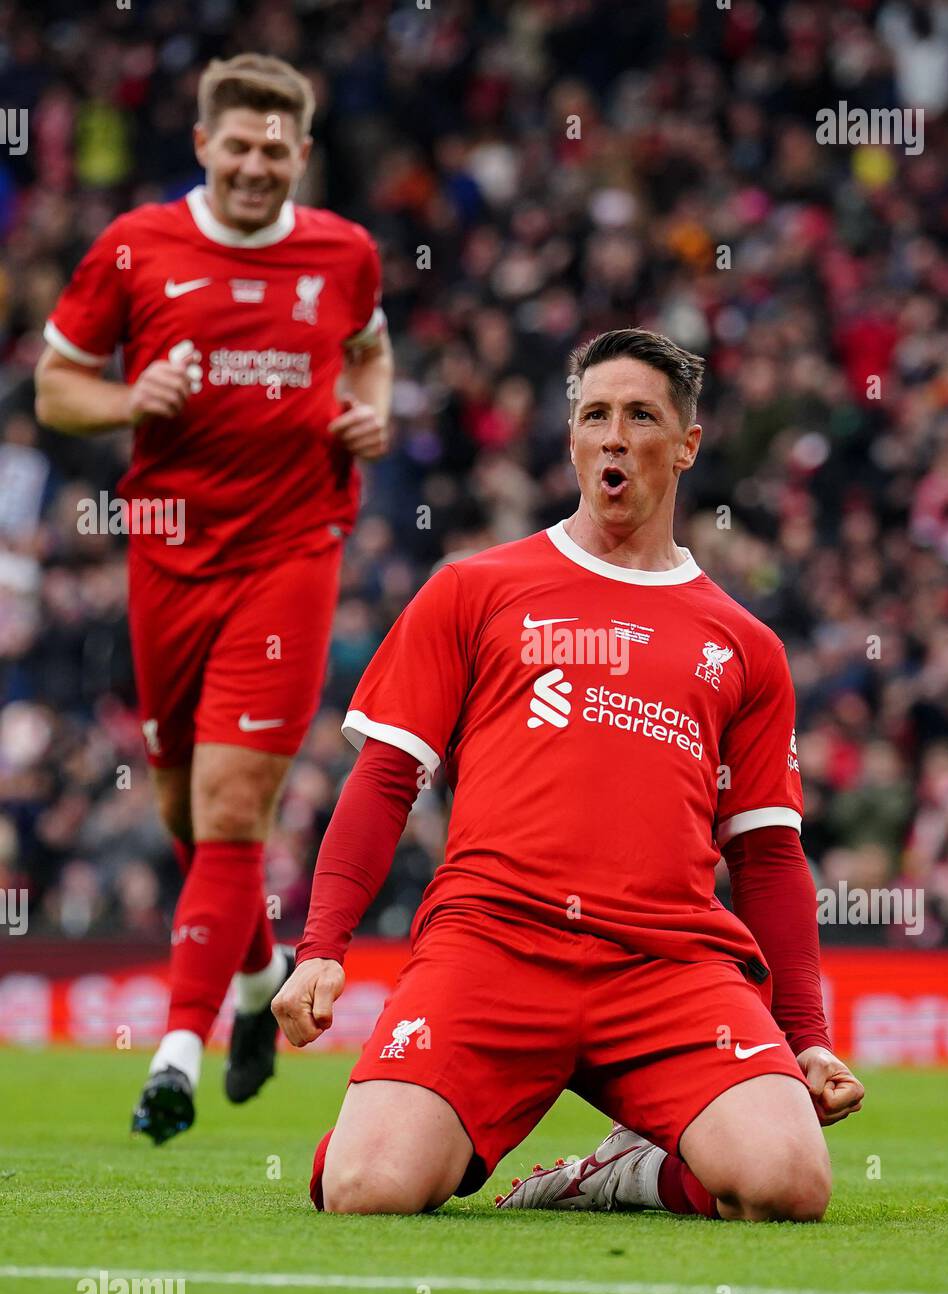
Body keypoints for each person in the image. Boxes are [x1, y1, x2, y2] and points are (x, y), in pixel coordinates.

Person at [274, 329, 863, 1221]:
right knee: (367, 1189)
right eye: (596, 415)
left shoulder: (746, 645)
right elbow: (387, 778)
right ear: (573, 440)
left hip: (668, 964)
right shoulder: (473, 589)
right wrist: (321, 948)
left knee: (790, 1186)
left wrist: (807, 1039)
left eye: (641, 416)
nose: (615, 435)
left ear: (687, 445)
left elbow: (770, 856)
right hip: (493, 945)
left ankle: (625, 1173)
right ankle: (391, 1122)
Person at [34, 53, 392, 1143]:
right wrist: (126, 397)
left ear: (300, 152)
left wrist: (369, 412)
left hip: (291, 550)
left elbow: (371, 354)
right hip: (164, 550)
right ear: (203, 144)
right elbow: (54, 389)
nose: (254, 163)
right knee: (187, 818)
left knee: (235, 811)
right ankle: (255, 979)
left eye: (275, 147)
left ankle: (173, 1059)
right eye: (236, 144)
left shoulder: (345, 253)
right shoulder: (135, 247)